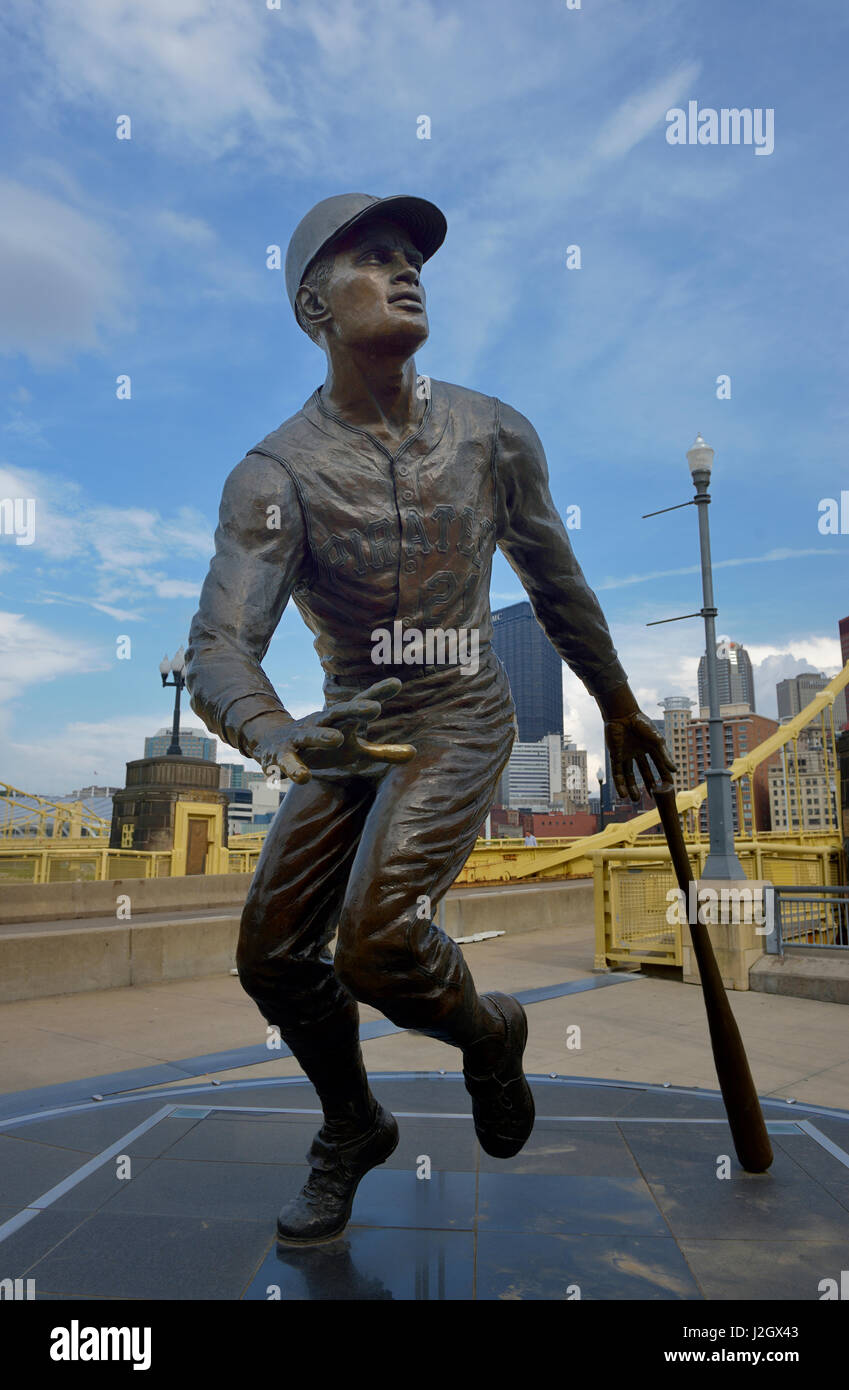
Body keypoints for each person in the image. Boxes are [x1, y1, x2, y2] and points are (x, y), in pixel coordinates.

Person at [185, 192, 676, 1244]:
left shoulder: (494, 435)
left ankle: (491, 1032)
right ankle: (353, 1123)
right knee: (272, 955)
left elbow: (555, 580)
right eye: (375, 257)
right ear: (315, 303)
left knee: (374, 945)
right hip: (349, 730)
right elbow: (219, 647)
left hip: (459, 709)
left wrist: (621, 705)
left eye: (414, 257)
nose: (407, 271)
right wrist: (277, 737)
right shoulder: (274, 477)